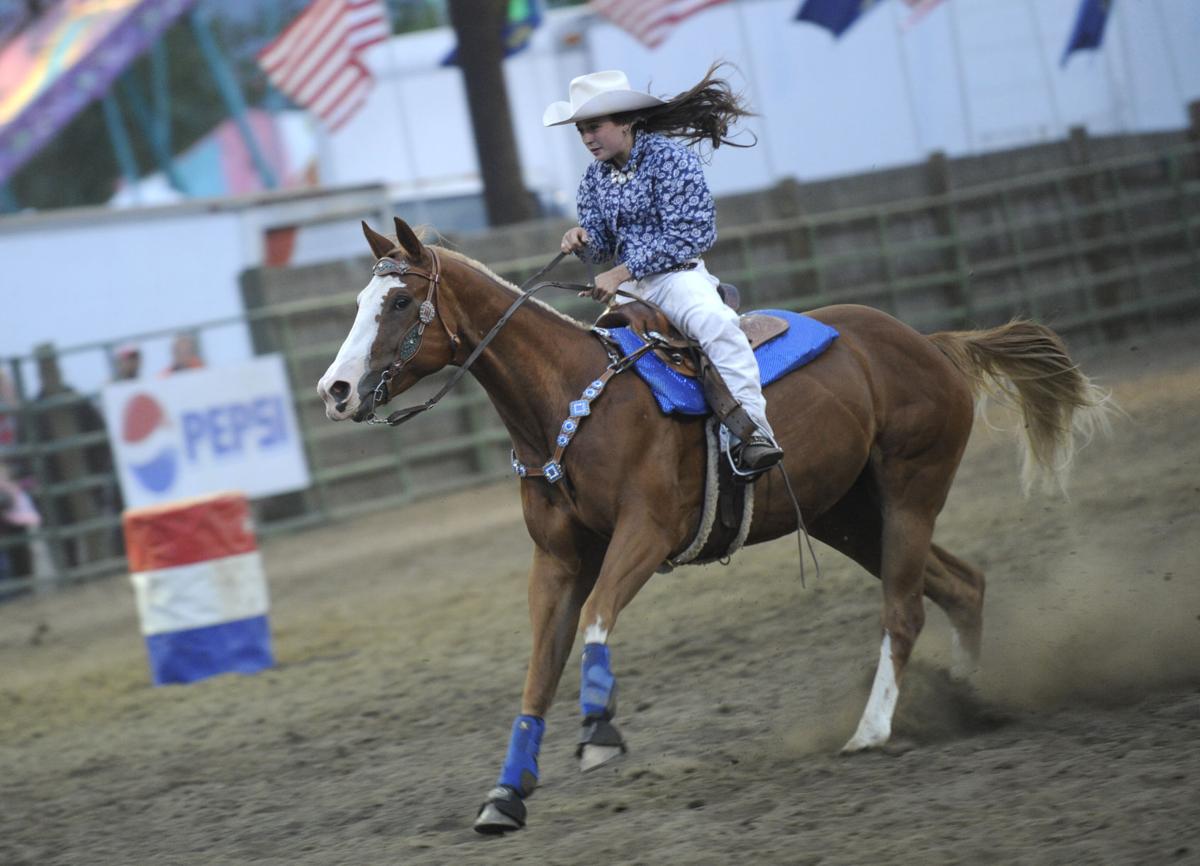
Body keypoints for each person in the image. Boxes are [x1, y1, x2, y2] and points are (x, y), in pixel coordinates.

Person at [544, 65, 783, 474]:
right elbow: (602, 249)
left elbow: (693, 234)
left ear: (626, 122)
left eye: (594, 127)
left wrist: (622, 272)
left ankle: (755, 434)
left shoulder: (671, 160)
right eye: (581, 130)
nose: (586, 138)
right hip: (631, 290)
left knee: (716, 327)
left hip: (679, 279)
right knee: (591, 365)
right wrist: (581, 239)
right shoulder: (593, 180)